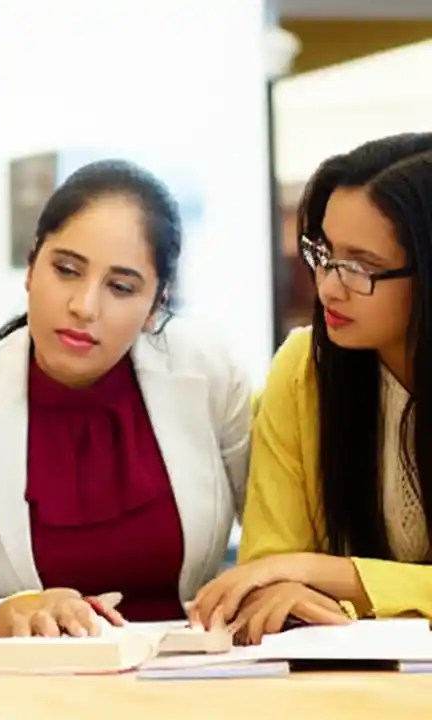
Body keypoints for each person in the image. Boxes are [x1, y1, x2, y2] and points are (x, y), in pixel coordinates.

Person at [0, 159, 252, 639]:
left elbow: (272, 544)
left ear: (155, 306)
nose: (84, 306)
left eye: (121, 287)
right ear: (30, 268)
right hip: (31, 685)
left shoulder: (207, 370)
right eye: (66, 270)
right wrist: (14, 613)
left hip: (191, 676)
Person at [192, 133, 432, 644]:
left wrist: (324, 573)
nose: (327, 285)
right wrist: (283, 590)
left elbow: (291, 566)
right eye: (323, 253)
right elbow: (266, 569)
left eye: (361, 266)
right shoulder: (303, 368)